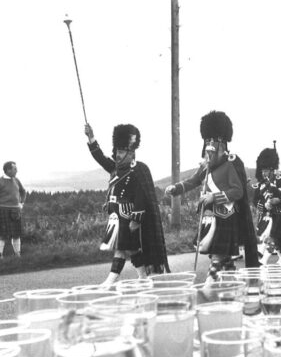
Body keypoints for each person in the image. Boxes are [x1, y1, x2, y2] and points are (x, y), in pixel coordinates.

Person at [165, 111, 260, 276]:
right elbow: (193, 181)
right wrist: (176, 188)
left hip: (226, 215)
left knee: (217, 257)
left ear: (222, 142)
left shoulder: (231, 162)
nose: (209, 144)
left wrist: (213, 197)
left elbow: (238, 191)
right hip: (210, 215)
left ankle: (211, 282)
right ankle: (231, 280)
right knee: (221, 256)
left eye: (212, 140)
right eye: (207, 140)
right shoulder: (205, 165)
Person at [85, 123, 169, 284]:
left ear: (131, 153)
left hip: (128, 216)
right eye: (117, 151)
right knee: (129, 248)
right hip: (116, 217)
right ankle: (143, 277)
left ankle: (112, 280)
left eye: (122, 152)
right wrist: (91, 138)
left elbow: (141, 196)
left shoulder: (138, 170)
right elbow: (99, 157)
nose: (117, 155)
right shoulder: (114, 168)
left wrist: (136, 219)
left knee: (123, 248)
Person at [254, 145, 281, 263]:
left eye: (266, 170)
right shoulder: (261, 184)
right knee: (268, 238)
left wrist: (278, 200)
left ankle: (264, 260)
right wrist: (264, 205)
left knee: (273, 238)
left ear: (272, 170)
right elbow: (255, 200)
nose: (263, 173)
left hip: (279, 216)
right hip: (266, 216)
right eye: (262, 170)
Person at [0, 161, 26, 258]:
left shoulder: (17, 180)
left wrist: (21, 203)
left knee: (16, 235)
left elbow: (23, 192)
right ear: (8, 170)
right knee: (1, 235)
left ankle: (18, 255)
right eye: (15, 169)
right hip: (3, 211)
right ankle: (0, 257)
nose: (17, 171)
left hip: (16, 211)